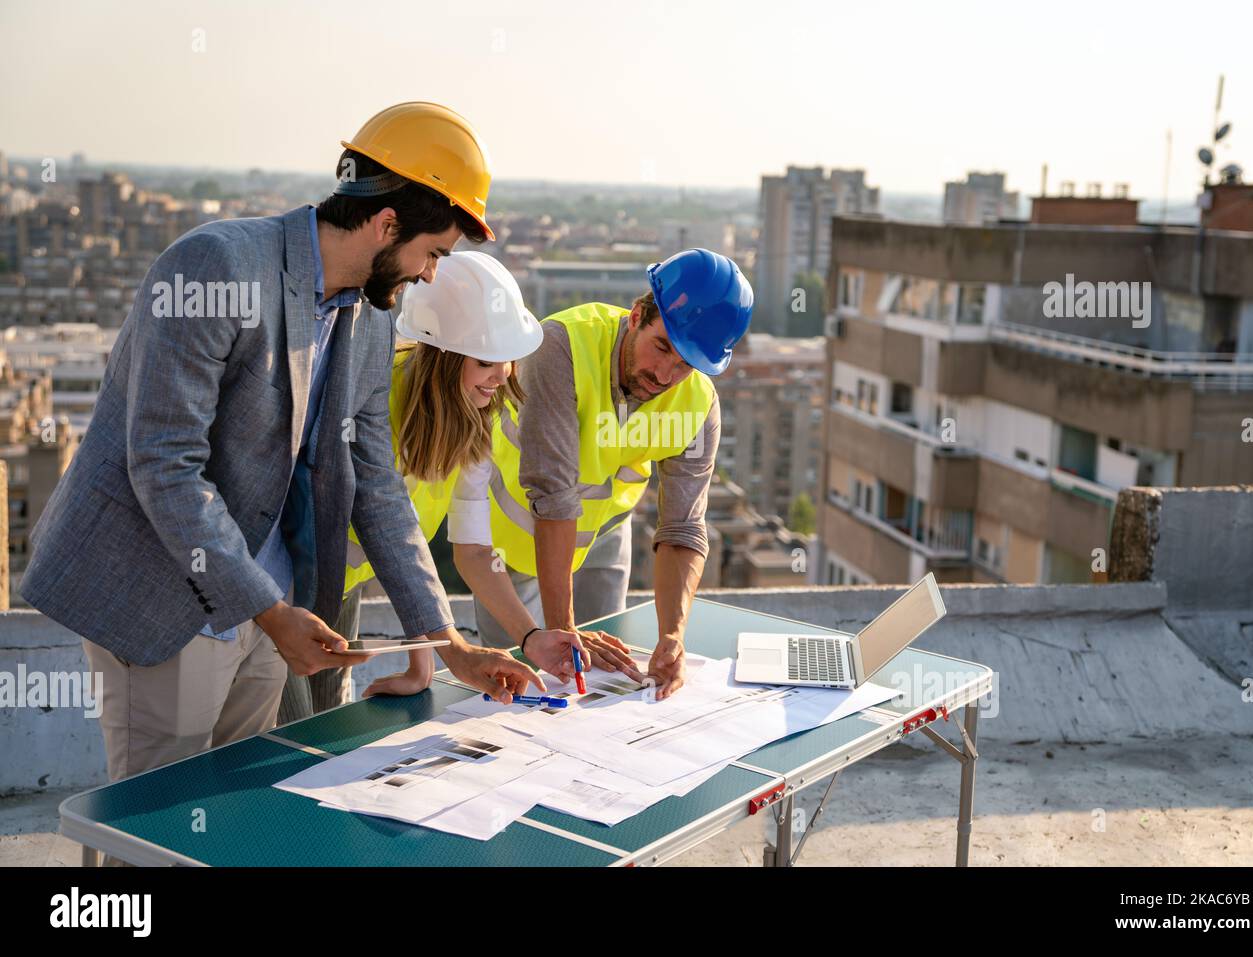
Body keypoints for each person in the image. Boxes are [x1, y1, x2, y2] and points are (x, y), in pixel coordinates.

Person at [21, 101, 545, 786]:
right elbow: (164, 467)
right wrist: (268, 610)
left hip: (270, 608)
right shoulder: (216, 268)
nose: (429, 275)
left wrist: (449, 644)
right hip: (167, 597)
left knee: (237, 815)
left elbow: (377, 487)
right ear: (387, 224)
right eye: (432, 253)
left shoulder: (369, 316)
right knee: (152, 826)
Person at [279, 252, 640, 720]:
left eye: (508, 359)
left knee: (322, 724)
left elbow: (467, 550)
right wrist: (436, 651)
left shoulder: (476, 418)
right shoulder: (374, 404)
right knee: (285, 729)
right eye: (488, 359)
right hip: (283, 592)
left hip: (340, 590)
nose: (503, 375)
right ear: (441, 356)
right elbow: (387, 527)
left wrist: (526, 639)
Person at [477, 248, 753, 699]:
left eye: (686, 364)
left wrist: (672, 635)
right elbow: (554, 495)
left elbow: (683, 526)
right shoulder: (560, 347)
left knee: (606, 685)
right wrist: (563, 628)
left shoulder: (699, 405)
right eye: (661, 347)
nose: (664, 375)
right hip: (512, 544)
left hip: (603, 536)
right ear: (637, 315)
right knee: (518, 693)